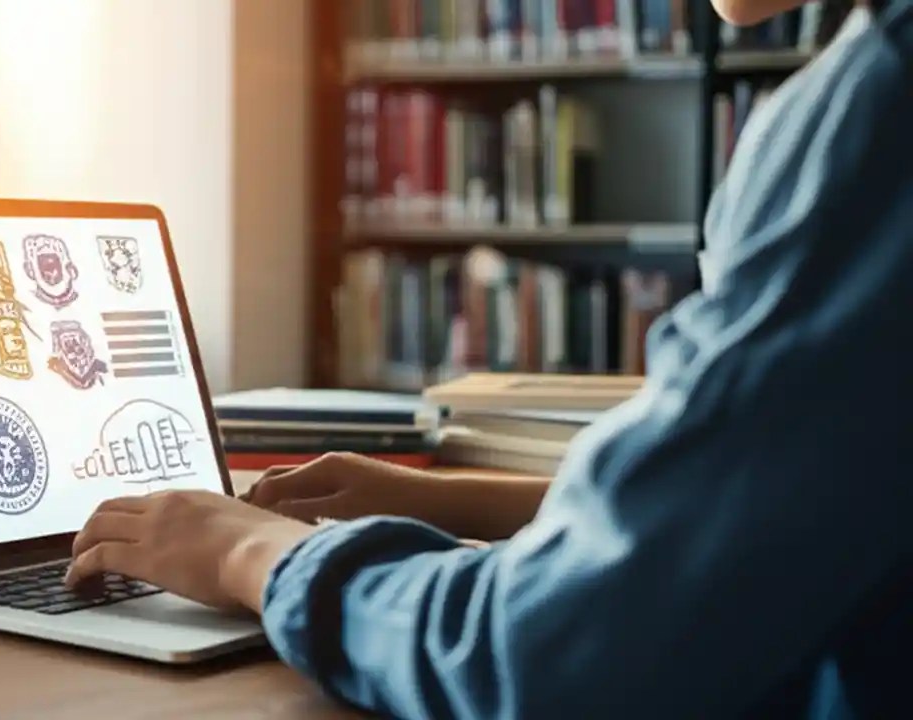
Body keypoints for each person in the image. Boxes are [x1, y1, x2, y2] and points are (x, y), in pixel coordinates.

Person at [65, 0, 913, 715]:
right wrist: (447, 501)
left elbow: (545, 653)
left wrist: (251, 554)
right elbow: (773, 511)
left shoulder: (880, 111)